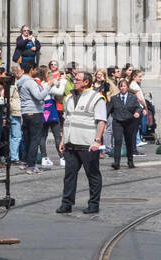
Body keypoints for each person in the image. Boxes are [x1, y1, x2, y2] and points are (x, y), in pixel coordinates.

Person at [55, 70, 107, 214]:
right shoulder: (69, 98)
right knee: (69, 175)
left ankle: (93, 204)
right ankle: (66, 203)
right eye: (74, 79)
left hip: (88, 144)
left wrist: (97, 141)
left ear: (86, 82)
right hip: (71, 143)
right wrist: (62, 140)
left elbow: (101, 121)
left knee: (93, 174)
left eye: (78, 80)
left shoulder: (96, 98)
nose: (74, 81)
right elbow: (66, 120)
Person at [20, 65, 49, 172]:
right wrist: (49, 86)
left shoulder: (26, 82)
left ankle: (25, 161)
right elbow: (39, 96)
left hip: (27, 112)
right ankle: (31, 166)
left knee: (27, 138)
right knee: (34, 140)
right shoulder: (31, 83)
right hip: (34, 112)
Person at [109, 76, 141, 169]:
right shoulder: (114, 98)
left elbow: (138, 107)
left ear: (127, 87)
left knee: (129, 142)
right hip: (117, 122)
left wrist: (137, 112)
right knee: (118, 142)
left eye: (124, 86)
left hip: (129, 122)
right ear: (119, 88)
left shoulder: (133, 97)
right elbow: (108, 109)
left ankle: (130, 161)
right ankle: (116, 163)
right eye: (121, 86)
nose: (123, 88)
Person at [6, 62, 24, 168]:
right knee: (16, 135)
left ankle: (12, 155)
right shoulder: (16, 83)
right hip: (16, 110)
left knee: (12, 134)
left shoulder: (11, 83)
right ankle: (14, 157)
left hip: (12, 109)